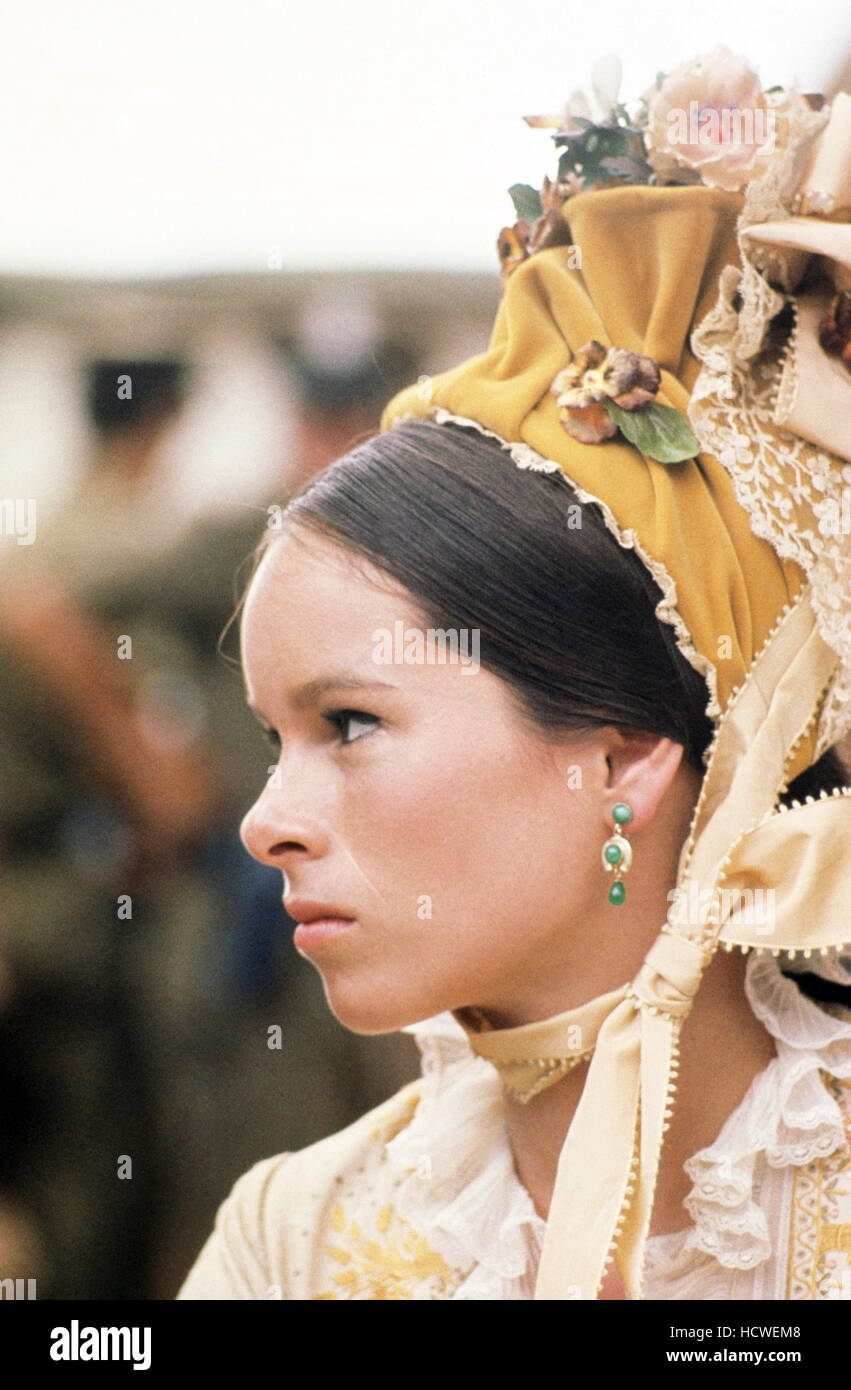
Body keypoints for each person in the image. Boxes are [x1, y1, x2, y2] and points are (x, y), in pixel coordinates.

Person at [178, 49, 851, 1300]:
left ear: (616, 759)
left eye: (350, 721)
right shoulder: (291, 1243)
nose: (265, 822)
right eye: (274, 737)